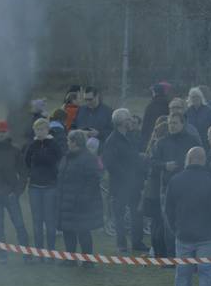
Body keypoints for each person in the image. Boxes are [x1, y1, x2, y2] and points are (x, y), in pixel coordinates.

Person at [165, 147, 211, 286]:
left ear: (188, 159)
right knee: (206, 275)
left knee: (183, 275)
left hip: (183, 235)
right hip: (207, 236)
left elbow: (168, 209)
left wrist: (175, 229)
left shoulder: (175, 180)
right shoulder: (210, 180)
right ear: (203, 160)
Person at [150, 113, 203, 259]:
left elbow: (200, 160)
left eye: (175, 123)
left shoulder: (192, 141)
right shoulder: (161, 143)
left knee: (189, 221)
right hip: (167, 188)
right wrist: (164, 165)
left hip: (189, 188)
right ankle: (171, 256)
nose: (172, 126)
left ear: (183, 124)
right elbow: (152, 162)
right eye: (170, 123)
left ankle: (189, 256)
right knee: (169, 223)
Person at [0, 120, 30, 263]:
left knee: (19, 224)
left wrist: (17, 192)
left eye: (4, 132)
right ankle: (2, 255)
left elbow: (24, 173)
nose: (1, 134)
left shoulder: (15, 152)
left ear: (7, 133)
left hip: (11, 196)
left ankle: (27, 254)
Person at [57, 130, 104, 266]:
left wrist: (83, 198)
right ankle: (70, 259)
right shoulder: (66, 157)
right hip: (66, 200)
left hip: (81, 203)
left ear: (74, 142)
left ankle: (87, 260)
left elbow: (92, 181)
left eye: (69, 141)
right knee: (68, 231)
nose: (67, 143)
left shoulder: (88, 158)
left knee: (83, 231)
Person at [103, 108, 146, 253]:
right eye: (128, 119)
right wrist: (126, 176)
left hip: (134, 184)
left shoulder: (132, 137)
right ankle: (121, 244)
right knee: (119, 215)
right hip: (119, 185)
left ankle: (137, 242)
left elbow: (135, 158)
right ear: (121, 122)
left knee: (137, 214)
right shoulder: (111, 141)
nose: (131, 121)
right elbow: (110, 163)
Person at [25, 118, 64, 259]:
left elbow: (60, 160)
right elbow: (27, 161)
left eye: (42, 129)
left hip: (50, 187)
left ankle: (51, 251)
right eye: (37, 129)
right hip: (34, 187)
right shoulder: (32, 145)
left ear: (47, 130)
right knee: (37, 221)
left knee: (50, 221)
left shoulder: (54, 145)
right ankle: (39, 252)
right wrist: (31, 174)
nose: (40, 132)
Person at [141, 117, 170, 257]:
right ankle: (159, 250)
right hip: (157, 190)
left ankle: (155, 249)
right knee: (160, 222)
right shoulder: (160, 147)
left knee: (155, 223)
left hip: (150, 191)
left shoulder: (151, 146)